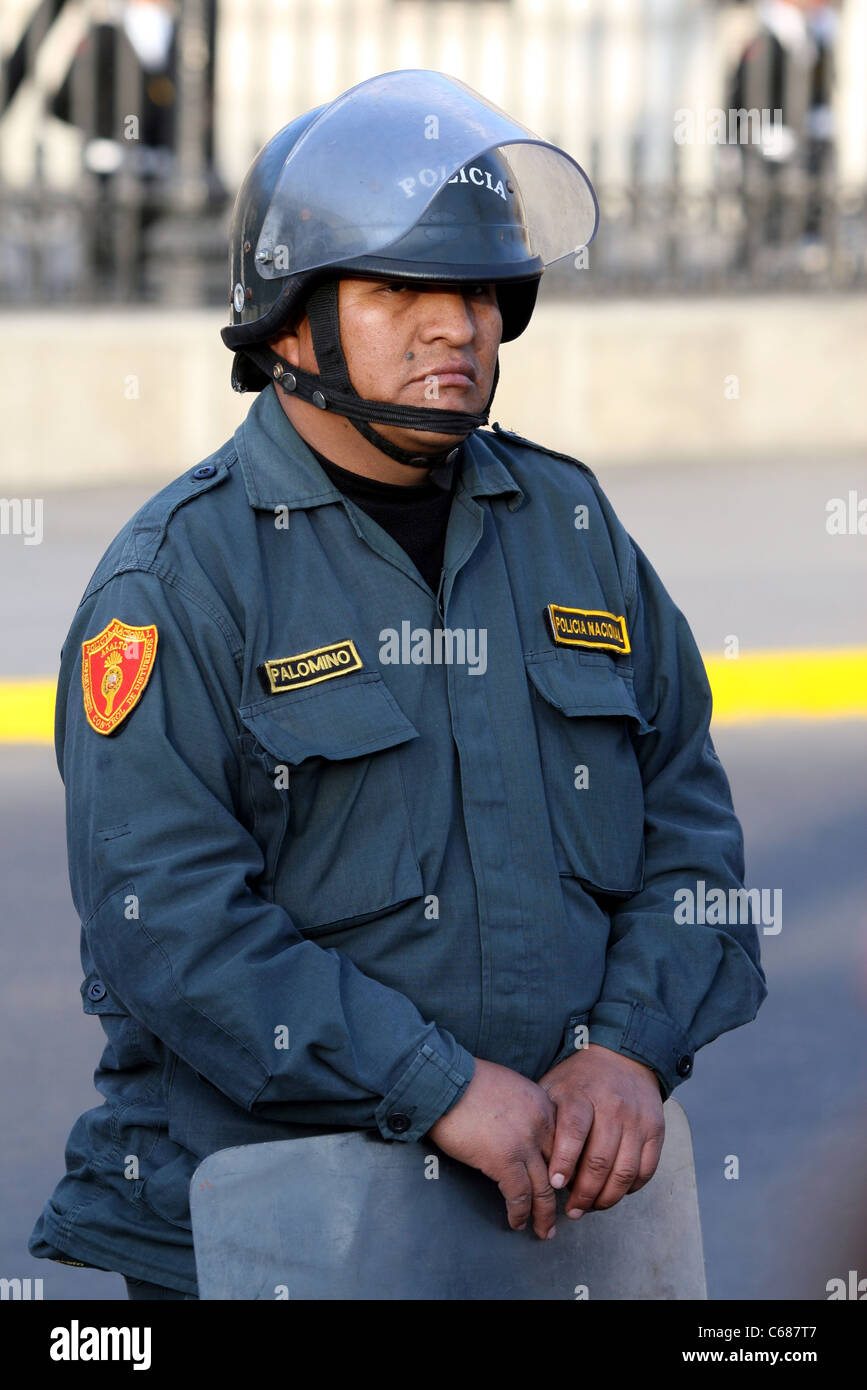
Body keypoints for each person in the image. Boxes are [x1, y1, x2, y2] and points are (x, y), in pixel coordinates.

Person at [29, 70, 767, 1300]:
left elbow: (690, 826)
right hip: (269, 1238)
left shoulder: (572, 525)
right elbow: (169, 923)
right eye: (399, 289)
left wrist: (629, 1052)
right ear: (287, 326)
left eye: (479, 289)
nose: (457, 326)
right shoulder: (176, 580)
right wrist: (437, 1088)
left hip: (560, 1233)